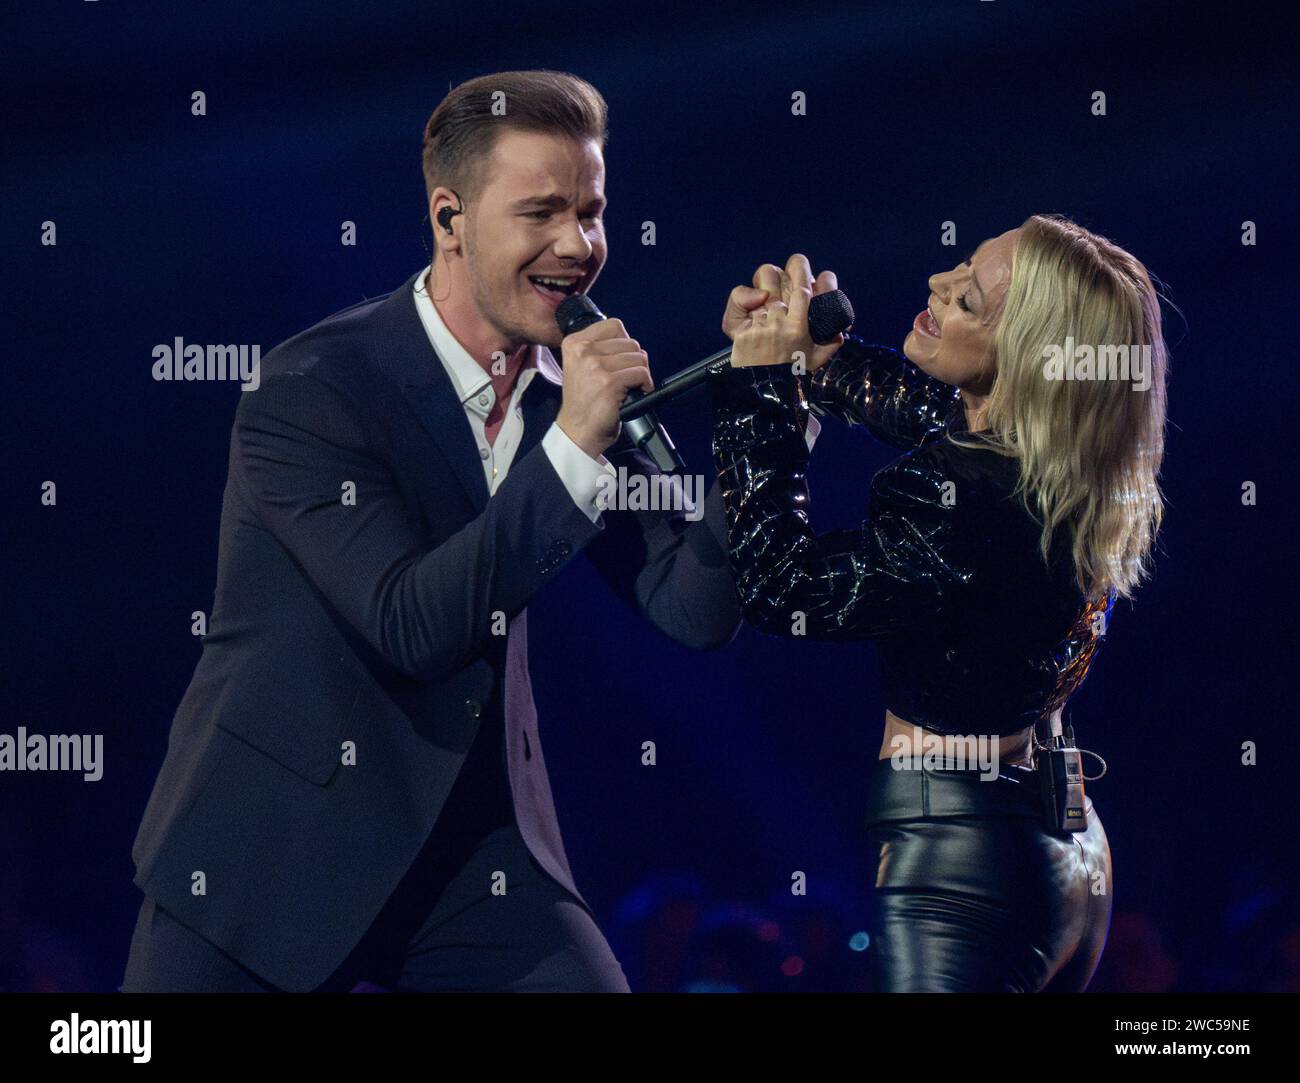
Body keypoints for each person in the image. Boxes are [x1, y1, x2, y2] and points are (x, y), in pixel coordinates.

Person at [121, 70, 741, 994]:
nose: (579, 246)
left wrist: (764, 422)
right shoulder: (316, 387)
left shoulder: (568, 388)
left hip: (474, 852)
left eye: (593, 211)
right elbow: (412, 621)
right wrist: (574, 441)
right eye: (541, 213)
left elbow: (694, 605)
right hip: (271, 842)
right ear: (450, 218)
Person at [710, 219, 1169, 991]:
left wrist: (757, 392)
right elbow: (945, 418)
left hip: (961, 861)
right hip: (1066, 847)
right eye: (959, 266)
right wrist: (824, 362)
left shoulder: (959, 499)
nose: (938, 287)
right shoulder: (1070, 463)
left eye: (970, 298)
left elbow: (781, 586)